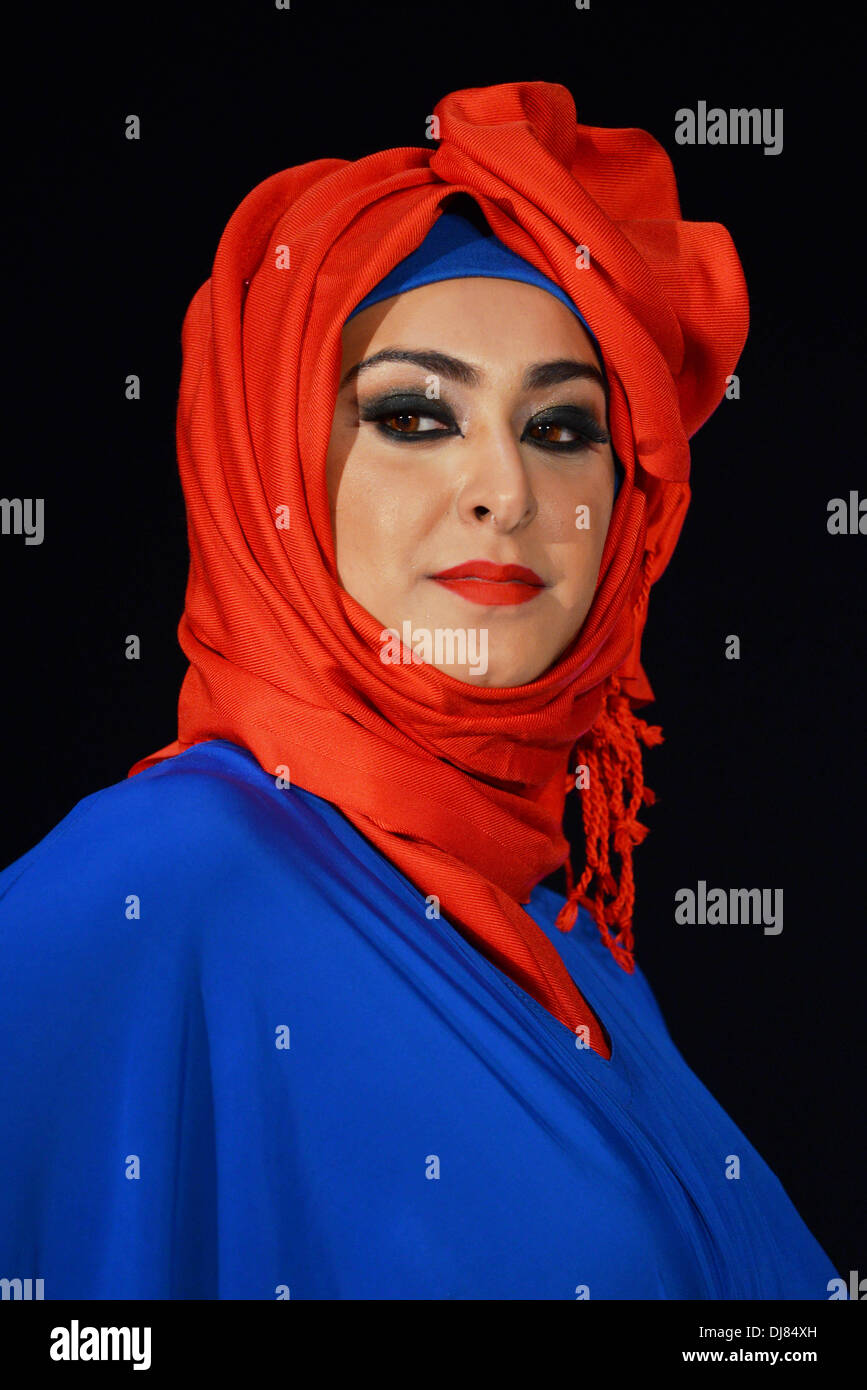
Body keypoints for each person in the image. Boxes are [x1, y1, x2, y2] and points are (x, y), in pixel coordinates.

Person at [0, 80, 839, 1299]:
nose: (505, 487)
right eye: (413, 414)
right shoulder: (150, 890)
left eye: (560, 431)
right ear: (265, 466)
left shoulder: (560, 934)